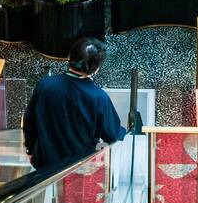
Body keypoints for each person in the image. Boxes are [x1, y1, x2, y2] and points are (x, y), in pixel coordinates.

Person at [23, 38, 128, 170]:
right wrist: (126, 130)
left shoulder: (45, 85)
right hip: (79, 168)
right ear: (96, 69)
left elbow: (30, 121)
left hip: (45, 166)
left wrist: (30, 149)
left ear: (69, 58)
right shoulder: (99, 97)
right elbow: (112, 134)